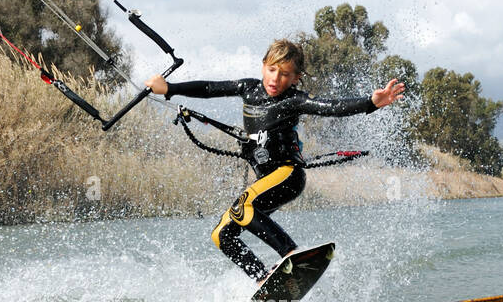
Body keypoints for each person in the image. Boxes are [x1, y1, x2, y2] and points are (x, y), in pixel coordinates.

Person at [146, 39, 405, 281]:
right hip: (266, 180)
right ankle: (263, 280)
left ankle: (291, 254)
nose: (275, 79)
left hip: (287, 174)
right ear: (263, 66)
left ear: (295, 78)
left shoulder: (294, 99)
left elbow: (333, 106)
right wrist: (169, 89)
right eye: (271, 70)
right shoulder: (247, 88)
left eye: (284, 74)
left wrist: (371, 102)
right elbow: (209, 88)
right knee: (221, 235)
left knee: (243, 206)